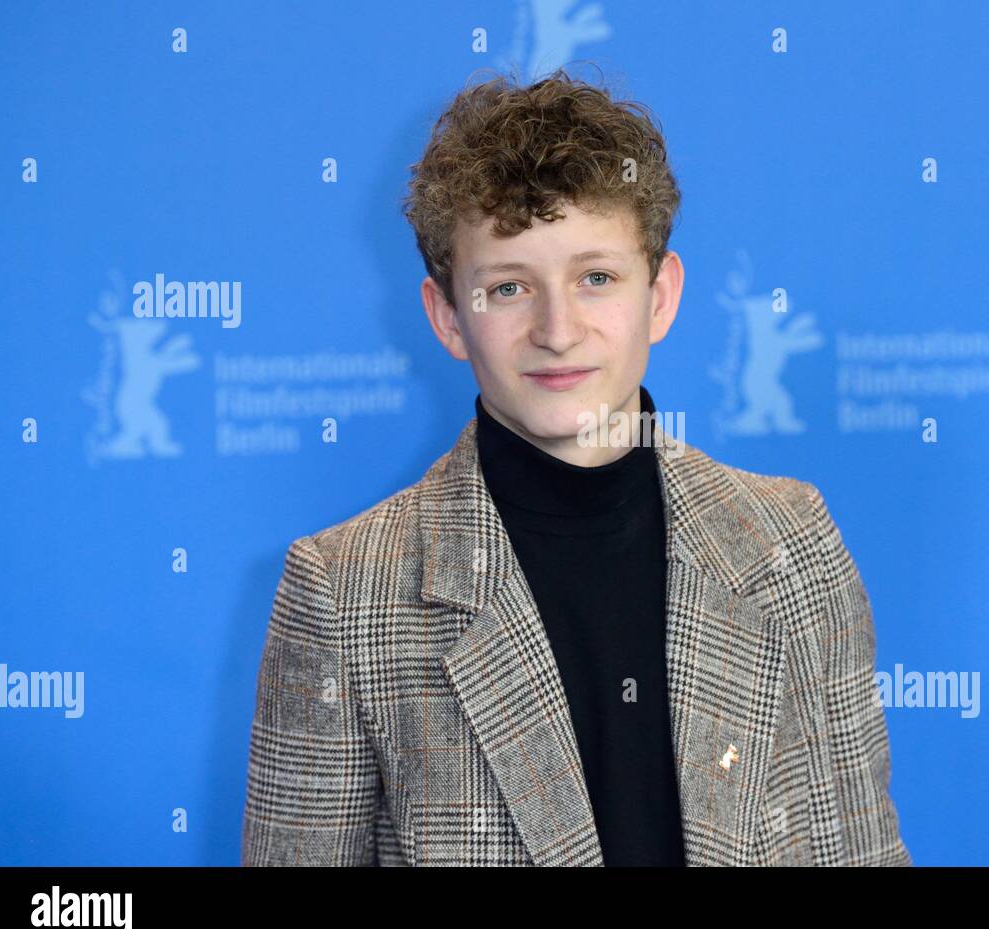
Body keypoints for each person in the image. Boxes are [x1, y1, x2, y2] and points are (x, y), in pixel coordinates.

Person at [240, 67, 911, 867]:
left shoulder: (790, 546)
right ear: (448, 316)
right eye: (509, 287)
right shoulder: (343, 595)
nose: (558, 330)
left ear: (659, 296)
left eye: (596, 278)